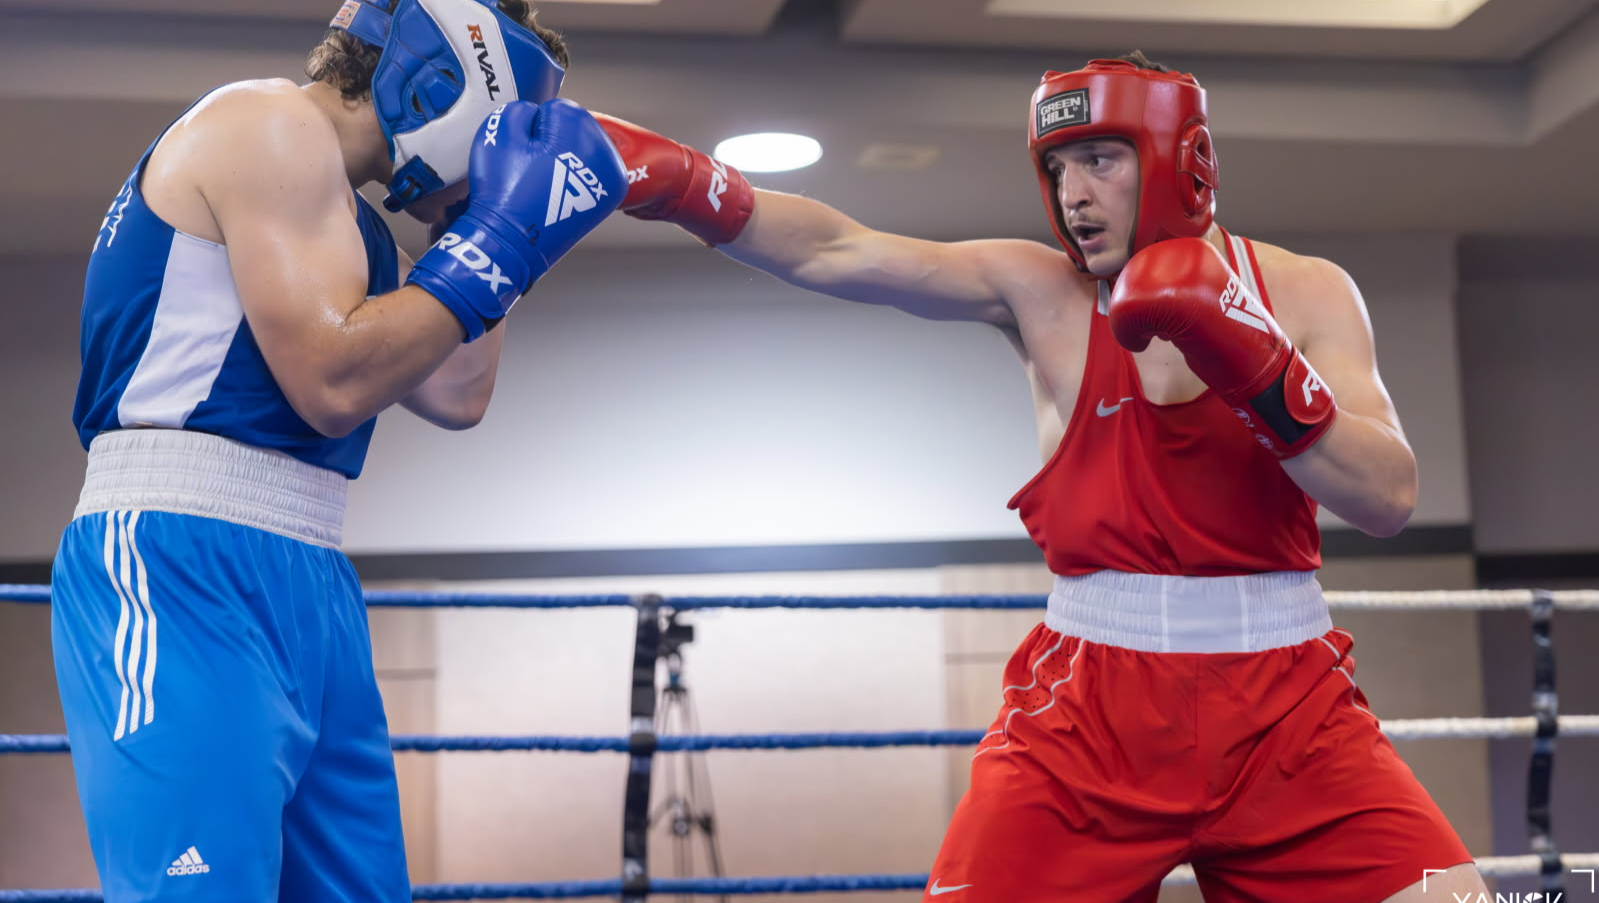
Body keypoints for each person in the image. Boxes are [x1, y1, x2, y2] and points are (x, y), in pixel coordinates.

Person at [595, 54, 1489, 902]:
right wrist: (678, 181)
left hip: (1288, 710)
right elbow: (837, 249)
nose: (1072, 195)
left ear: (1182, 162)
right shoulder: (1039, 290)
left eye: (1100, 160)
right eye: (1057, 167)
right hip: (1088, 713)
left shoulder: (1306, 291)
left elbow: (1387, 498)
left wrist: (1249, 351)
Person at [50, 0, 624, 899]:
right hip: (180, 552)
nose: (496, 154)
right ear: (450, 82)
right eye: (500, 128)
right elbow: (333, 382)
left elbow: (457, 391)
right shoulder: (264, 121)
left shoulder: (357, 231)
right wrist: (501, 231)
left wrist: (499, 232)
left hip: (308, 568)